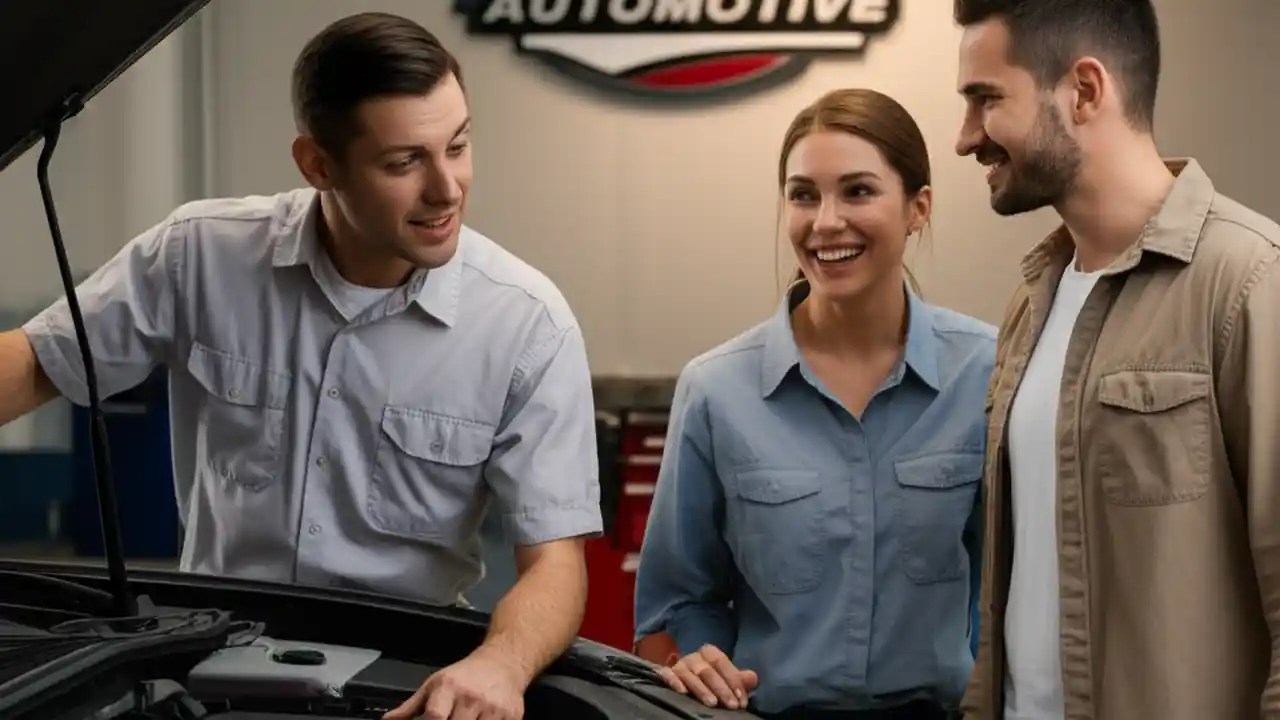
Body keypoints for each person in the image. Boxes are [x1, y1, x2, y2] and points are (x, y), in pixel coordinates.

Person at [0, 12, 602, 720]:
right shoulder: (202, 255)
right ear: (318, 164)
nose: (448, 189)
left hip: (405, 681)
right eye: (405, 162)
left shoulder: (527, 323)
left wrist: (500, 665)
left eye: (459, 146)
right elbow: (40, 361)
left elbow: (555, 563)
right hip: (210, 665)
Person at [951, 1, 1280, 718]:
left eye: (985, 100)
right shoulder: (1029, 304)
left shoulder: (1250, 284)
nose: (964, 138)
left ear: (1085, 90)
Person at [633, 88, 997, 719]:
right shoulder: (716, 389)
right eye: (804, 194)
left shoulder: (989, 371)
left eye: (858, 191)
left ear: (919, 209)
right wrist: (688, 661)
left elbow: (1020, 592)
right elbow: (670, 609)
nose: (825, 221)